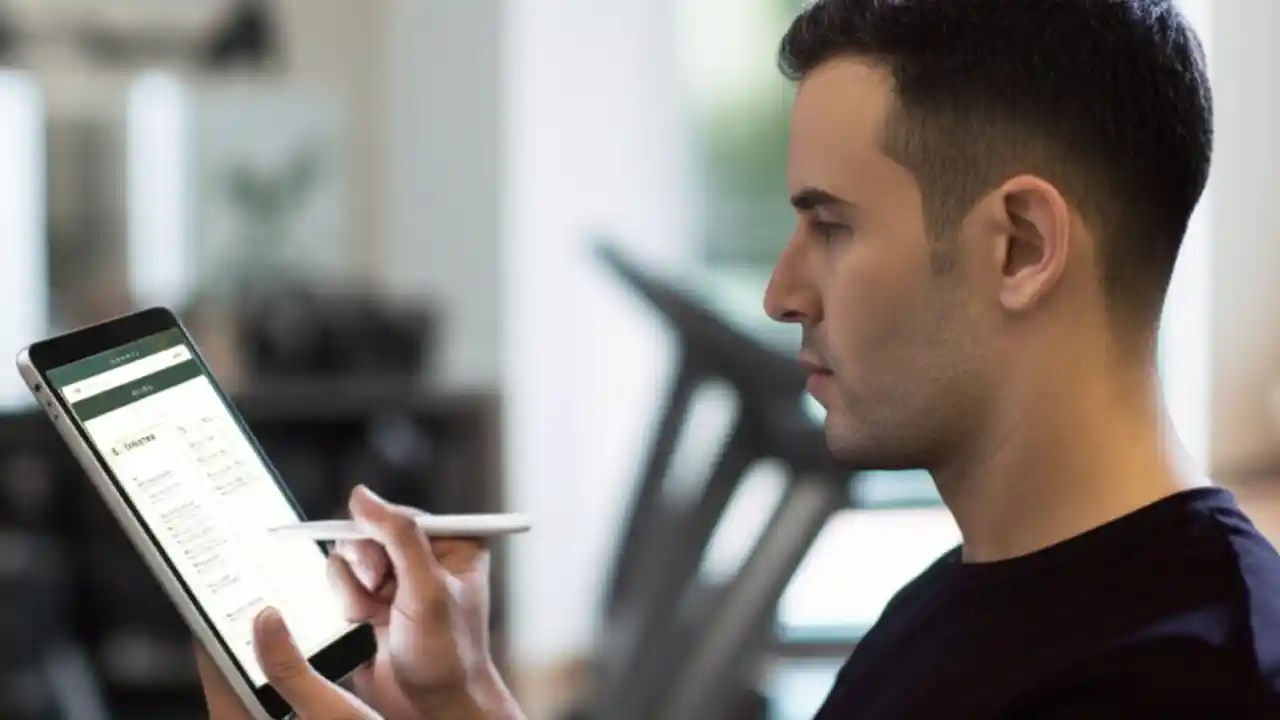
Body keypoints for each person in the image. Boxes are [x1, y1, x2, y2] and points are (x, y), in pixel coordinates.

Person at [203, 0, 1280, 717]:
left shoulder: (1175, 681)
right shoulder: (964, 605)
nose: (779, 292)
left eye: (832, 226)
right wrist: (466, 702)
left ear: (1021, 247)